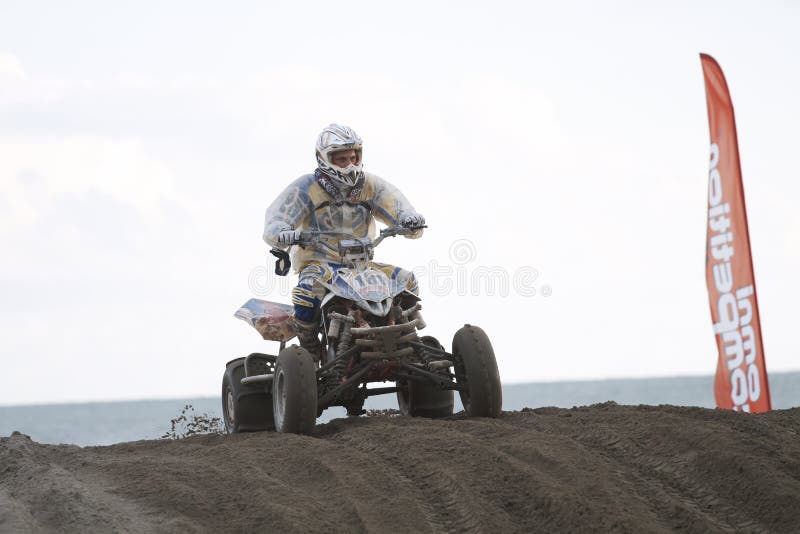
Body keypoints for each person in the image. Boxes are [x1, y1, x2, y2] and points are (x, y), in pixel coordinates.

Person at [262, 124, 426, 359]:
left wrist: (409, 219)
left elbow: (398, 206)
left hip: (362, 267)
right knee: (308, 291)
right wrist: (282, 232)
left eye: (353, 157)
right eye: (341, 159)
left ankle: (410, 339)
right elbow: (276, 219)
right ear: (324, 159)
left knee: (406, 280)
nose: (349, 164)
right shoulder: (306, 187)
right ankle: (309, 346)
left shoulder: (369, 185)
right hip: (320, 267)